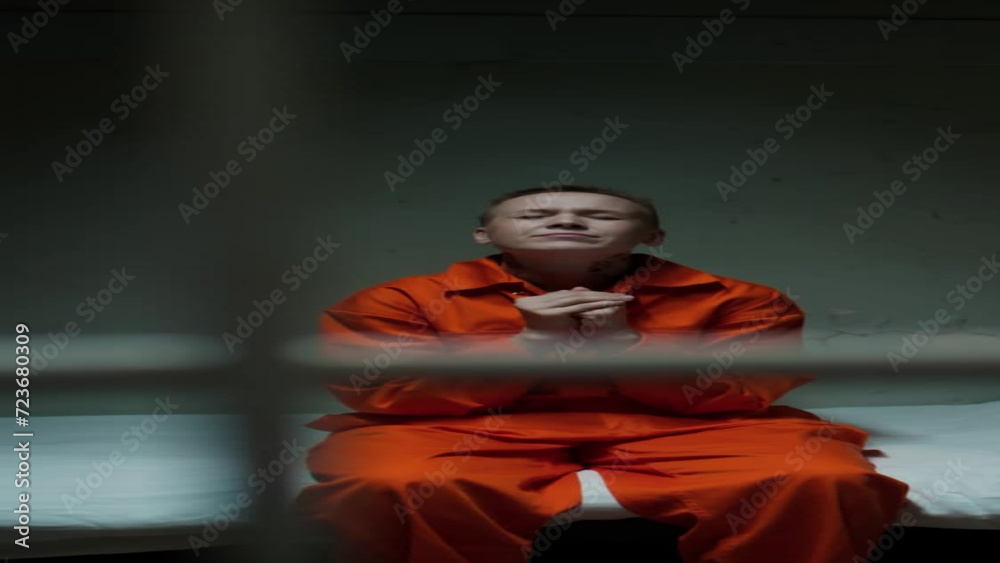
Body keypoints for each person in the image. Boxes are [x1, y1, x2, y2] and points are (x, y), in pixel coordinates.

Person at [295, 186, 909, 563]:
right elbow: (378, 388)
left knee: (816, 477)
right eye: (539, 213)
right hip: (464, 429)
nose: (567, 220)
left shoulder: (742, 299)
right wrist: (529, 347)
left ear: (654, 235)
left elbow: (747, 389)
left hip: (689, 430)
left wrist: (627, 344)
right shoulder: (399, 298)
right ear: (485, 233)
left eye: (596, 214)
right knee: (393, 484)